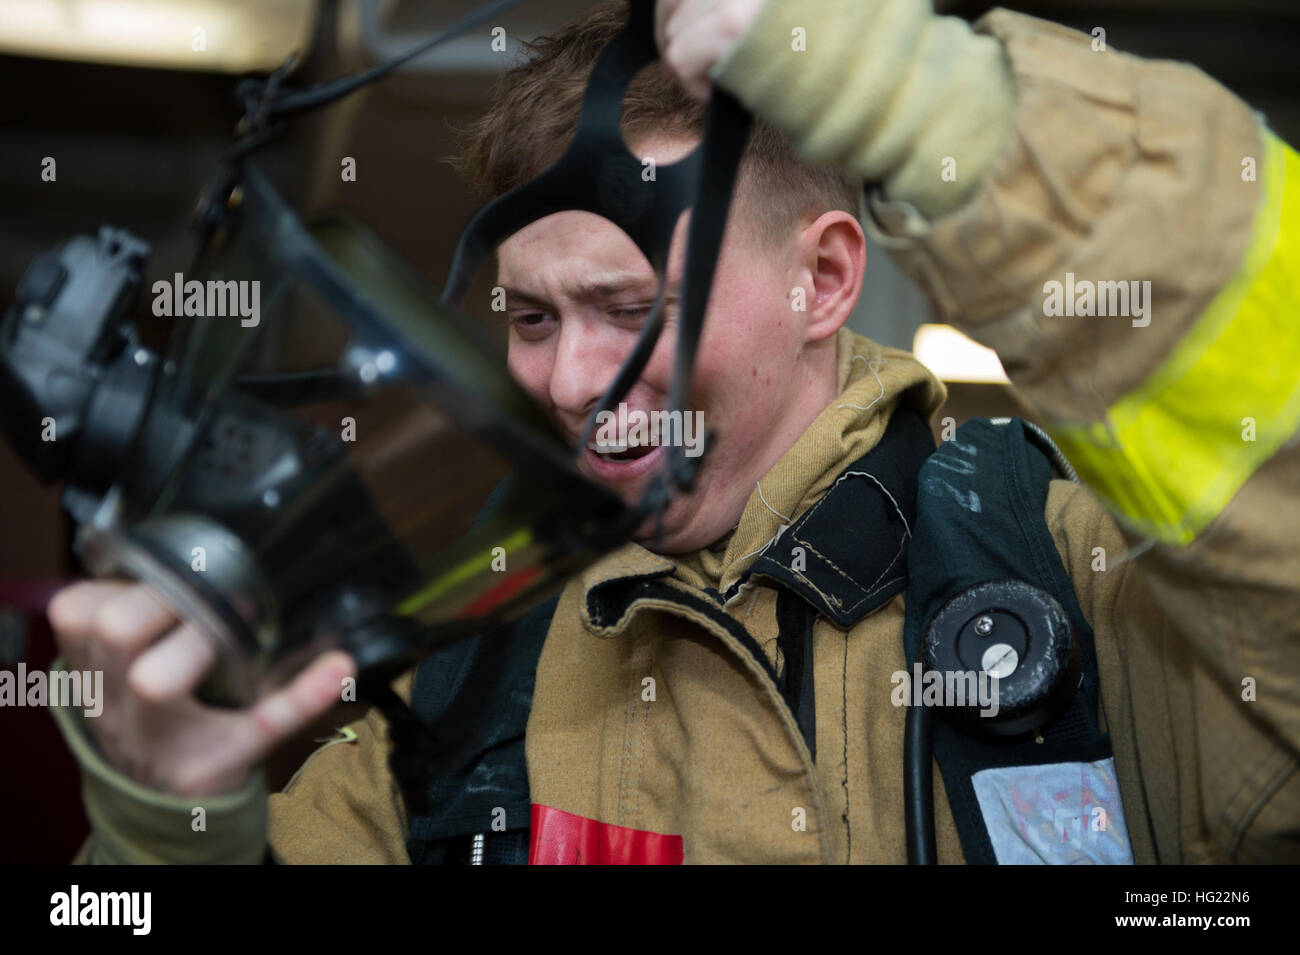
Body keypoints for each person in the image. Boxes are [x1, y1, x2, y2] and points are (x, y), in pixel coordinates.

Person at [46, 0, 1300, 863]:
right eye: (529, 315)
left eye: (632, 309)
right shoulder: (462, 675)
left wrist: (944, 118)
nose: (568, 378)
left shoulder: (1088, 580)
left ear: (824, 279)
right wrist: (173, 820)